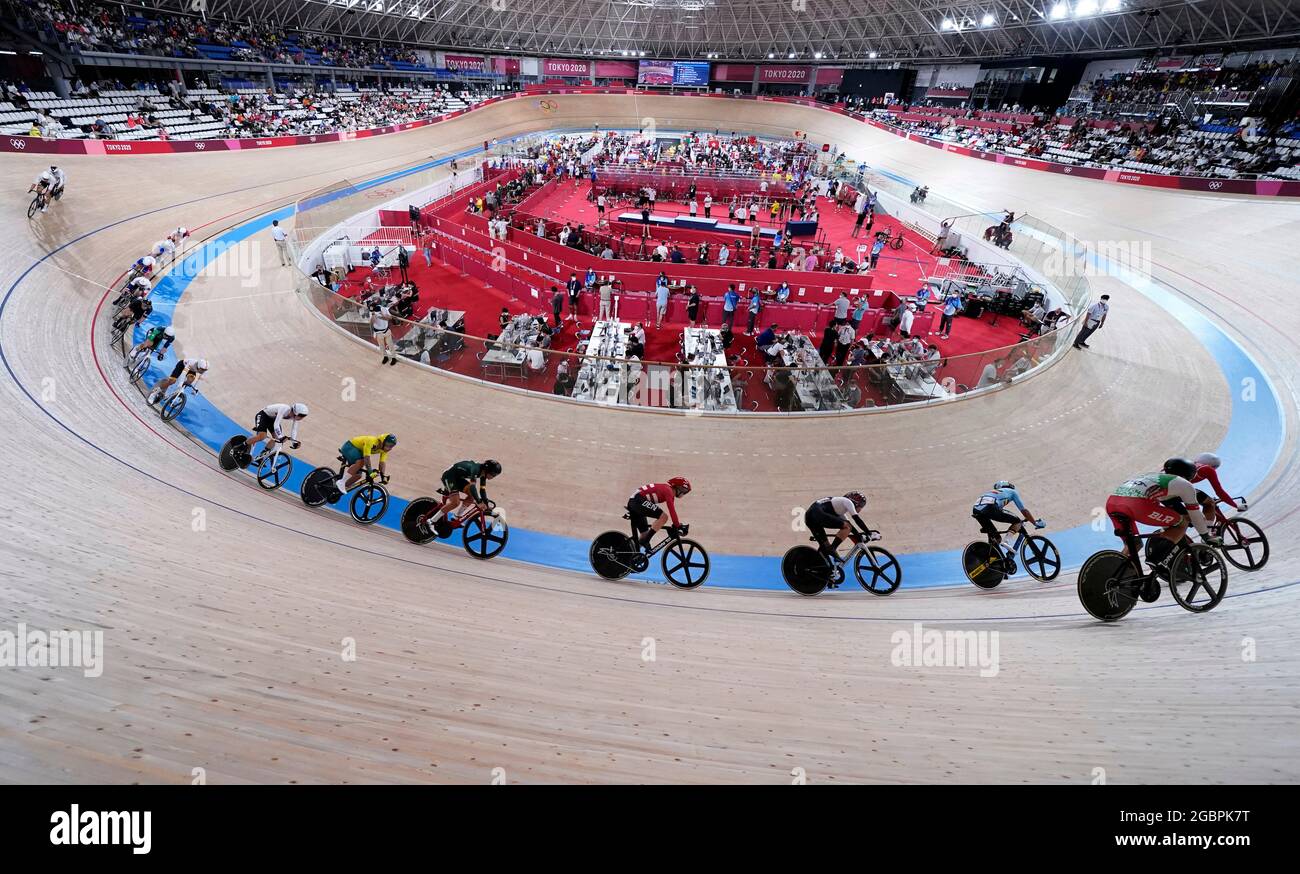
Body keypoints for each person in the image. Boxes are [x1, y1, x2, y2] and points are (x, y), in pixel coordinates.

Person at [1105, 458, 1222, 601]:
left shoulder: (1154, 476)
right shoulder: (1185, 484)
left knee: (1134, 544)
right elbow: (1195, 514)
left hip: (1113, 503)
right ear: (1189, 476)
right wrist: (1206, 536)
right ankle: (1157, 557)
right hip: (1136, 505)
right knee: (1181, 523)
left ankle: (1112, 577)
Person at [416, 459, 502, 533]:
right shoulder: (475, 469)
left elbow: (482, 490)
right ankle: (431, 521)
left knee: (471, 496)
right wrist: (479, 502)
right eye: (493, 474)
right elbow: (472, 487)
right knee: (455, 502)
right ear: (487, 471)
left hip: (457, 478)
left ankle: (456, 517)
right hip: (449, 476)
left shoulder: (483, 474)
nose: (493, 477)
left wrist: (485, 502)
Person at [803, 491, 879, 565]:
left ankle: (820, 567)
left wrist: (858, 535)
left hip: (810, 517)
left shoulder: (839, 509)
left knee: (825, 546)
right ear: (857, 503)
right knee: (846, 527)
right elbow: (857, 519)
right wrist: (868, 533)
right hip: (817, 513)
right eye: (861, 506)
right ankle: (832, 548)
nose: (861, 509)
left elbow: (850, 527)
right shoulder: (847, 502)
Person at [627, 477, 691, 550]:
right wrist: (677, 525)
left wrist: (677, 524)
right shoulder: (668, 491)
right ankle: (646, 541)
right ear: (678, 487)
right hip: (637, 500)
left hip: (636, 501)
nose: (684, 493)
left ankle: (631, 555)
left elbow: (672, 511)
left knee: (644, 534)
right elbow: (672, 510)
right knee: (664, 517)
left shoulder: (668, 491)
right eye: (684, 490)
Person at [971, 481, 1045, 544]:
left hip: (976, 510)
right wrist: (1035, 523)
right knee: (1017, 521)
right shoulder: (1012, 492)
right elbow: (1024, 511)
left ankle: (990, 557)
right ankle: (1006, 541)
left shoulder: (991, 493)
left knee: (996, 539)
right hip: (990, 507)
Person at [1191, 452, 1247, 519]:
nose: (1214, 470)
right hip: (1181, 488)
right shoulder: (1208, 469)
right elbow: (1219, 492)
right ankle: (1205, 529)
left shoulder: (1193, 465)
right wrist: (1236, 505)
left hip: (1178, 486)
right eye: (1215, 467)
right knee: (1210, 503)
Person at [245, 402, 309, 459]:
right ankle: (243, 445)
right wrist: (281, 437)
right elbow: (276, 424)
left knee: (277, 439)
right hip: (263, 415)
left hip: (272, 420)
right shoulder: (285, 409)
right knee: (262, 436)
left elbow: (294, 429)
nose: (302, 418)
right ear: (295, 413)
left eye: (304, 416)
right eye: (301, 416)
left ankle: (261, 456)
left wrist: (293, 442)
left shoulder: (295, 417)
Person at [371, 299, 396, 366]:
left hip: (386, 330)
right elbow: (372, 322)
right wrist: (373, 313)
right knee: (381, 346)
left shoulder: (384, 309)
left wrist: (382, 315)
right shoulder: (372, 311)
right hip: (378, 332)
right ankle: (385, 357)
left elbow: (390, 318)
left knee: (390, 345)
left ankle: (393, 357)